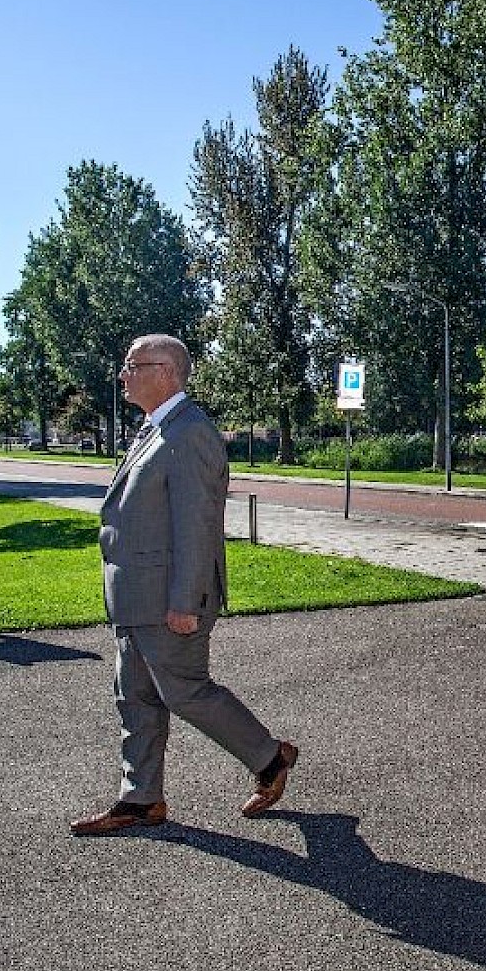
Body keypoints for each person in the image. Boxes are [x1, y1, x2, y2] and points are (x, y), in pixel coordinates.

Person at [71, 334, 298, 836]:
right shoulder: (155, 428)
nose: (123, 374)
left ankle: (269, 758)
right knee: (134, 695)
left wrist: (186, 601)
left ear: (167, 372)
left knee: (185, 692)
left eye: (133, 365)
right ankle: (141, 798)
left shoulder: (189, 433)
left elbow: (197, 525)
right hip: (135, 596)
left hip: (167, 599)